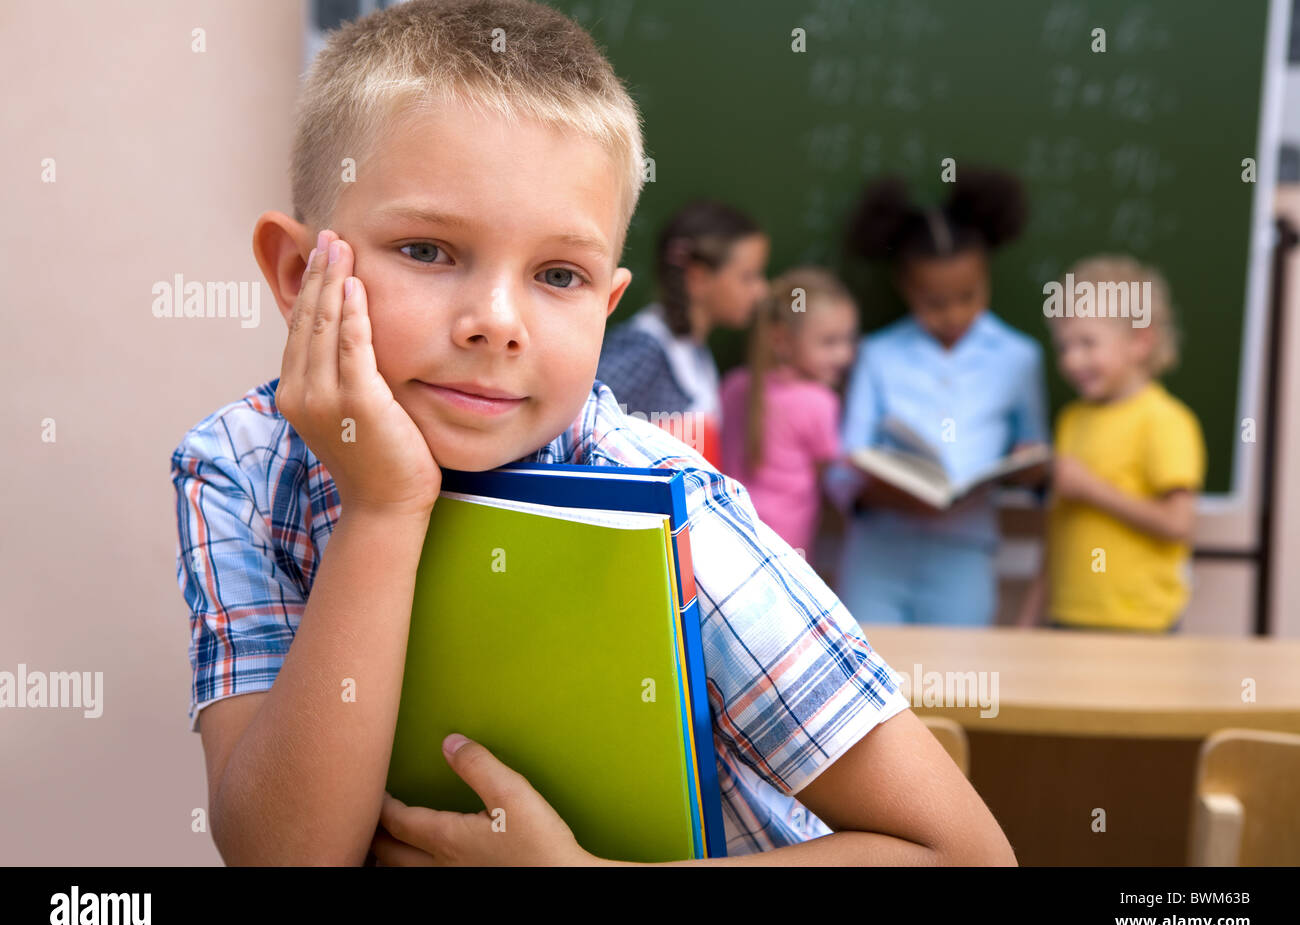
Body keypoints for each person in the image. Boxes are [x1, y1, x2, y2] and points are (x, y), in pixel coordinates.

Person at [170, 0, 1014, 865]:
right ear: (296, 270)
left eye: (558, 274)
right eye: (427, 250)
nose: (496, 323)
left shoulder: (660, 504)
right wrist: (382, 512)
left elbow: (969, 857)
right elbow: (284, 857)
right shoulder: (238, 468)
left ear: (606, 310)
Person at [824, 170, 1050, 626]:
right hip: (878, 550)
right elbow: (841, 463)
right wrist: (884, 493)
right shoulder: (878, 354)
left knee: (956, 682)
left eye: (968, 296)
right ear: (905, 289)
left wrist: (1030, 467)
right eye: (933, 302)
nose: (953, 315)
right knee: (871, 677)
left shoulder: (1018, 357)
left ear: (988, 278)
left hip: (964, 549)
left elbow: (1035, 453)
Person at [1017, 255, 1205, 632]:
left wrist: (1092, 489)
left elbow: (1177, 523)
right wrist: (1028, 619)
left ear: (1140, 341)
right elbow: (1057, 532)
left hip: (1139, 624)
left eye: (1087, 343)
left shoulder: (1164, 421)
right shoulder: (1072, 420)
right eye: (1064, 347)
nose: (1071, 360)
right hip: (1065, 617)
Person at [596, 200, 769, 468]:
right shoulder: (645, 349)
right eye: (748, 277)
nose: (761, 291)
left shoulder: (694, 349)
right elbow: (581, 422)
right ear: (698, 277)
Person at [720, 266, 857, 565]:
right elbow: (830, 476)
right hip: (786, 548)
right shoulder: (819, 402)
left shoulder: (733, 385)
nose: (844, 355)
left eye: (848, 340)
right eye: (830, 342)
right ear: (781, 340)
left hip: (727, 532)